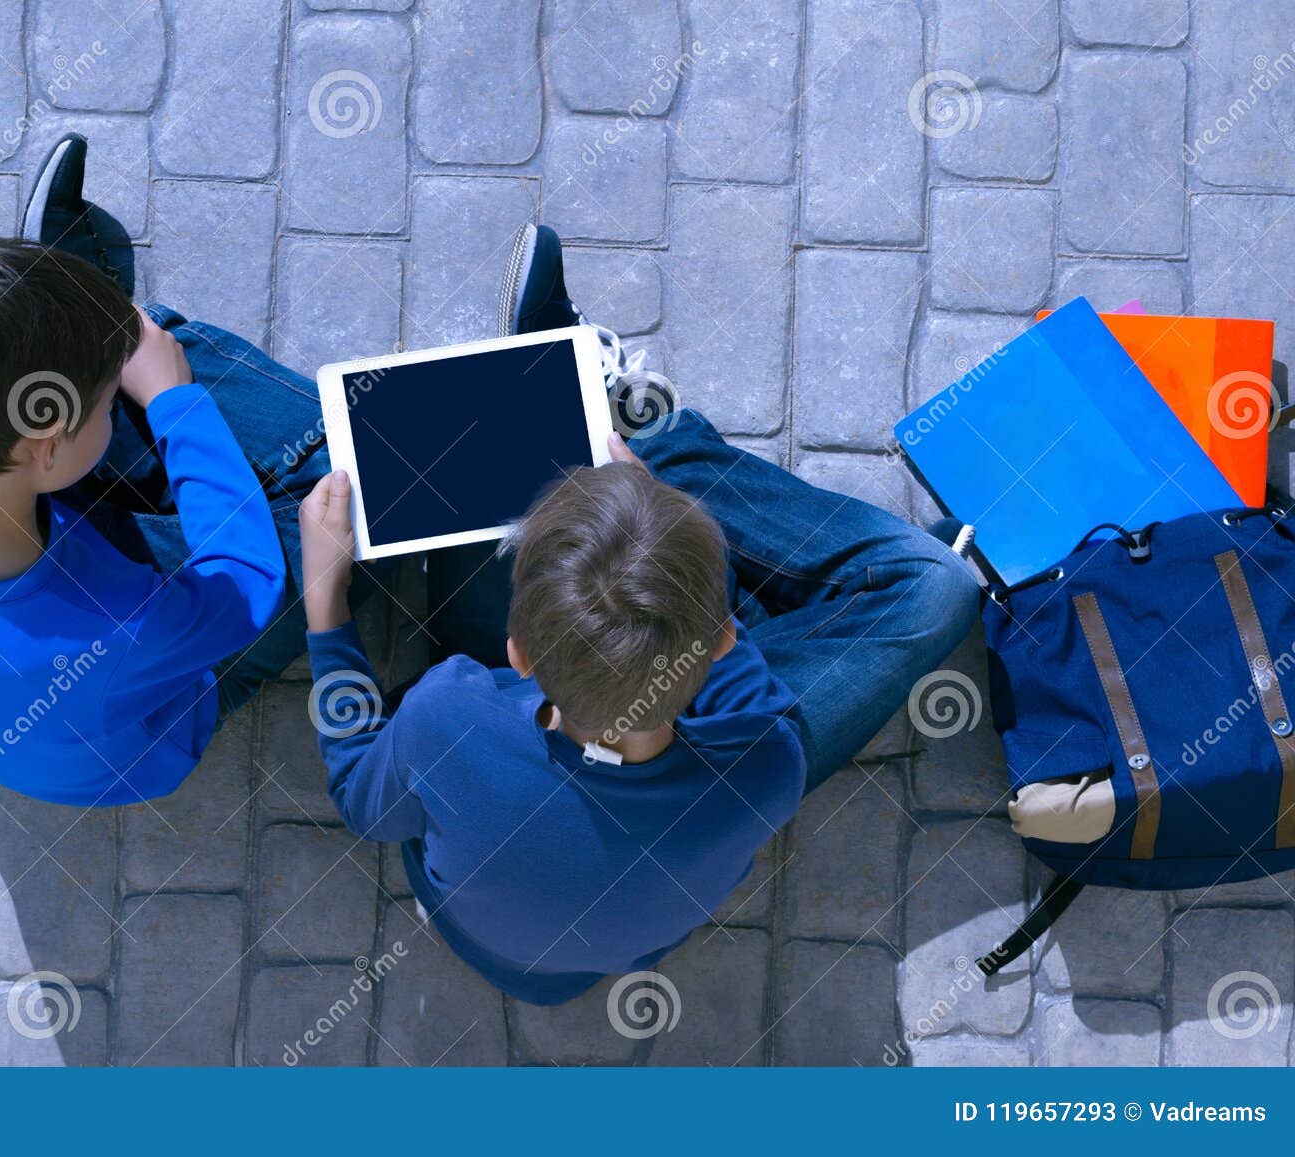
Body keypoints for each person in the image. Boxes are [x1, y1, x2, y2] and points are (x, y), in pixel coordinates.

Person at [298, 225, 981, 1004]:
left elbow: (361, 796)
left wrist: (325, 603)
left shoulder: (450, 715)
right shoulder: (764, 765)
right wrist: (660, 525)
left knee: (497, 481)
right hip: (692, 752)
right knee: (938, 587)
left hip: (502, 946)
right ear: (725, 639)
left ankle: (615, 420)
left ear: (515, 656)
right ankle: (642, 439)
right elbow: (739, 684)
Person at [0, 135, 333, 805]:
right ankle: (100, 321)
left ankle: (53, 322)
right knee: (351, 484)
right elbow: (246, 581)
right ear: (46, 447)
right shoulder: (121, 627)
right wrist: (170, 395)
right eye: (101, 400)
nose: (115, 395)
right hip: (143, 728)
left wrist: (14, 303)